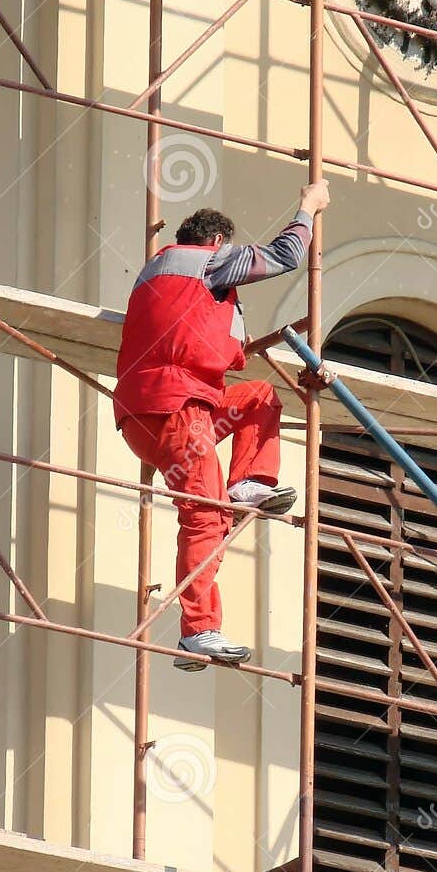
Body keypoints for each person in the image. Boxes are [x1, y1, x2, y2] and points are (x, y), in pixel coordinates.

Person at [115, 179, 331, 669]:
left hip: (157, 412)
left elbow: (192, 334)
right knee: (205, 517)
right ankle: (198, 632)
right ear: (216, 241)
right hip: (178, 412)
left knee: (259, 396)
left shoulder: (158, 273)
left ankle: (248, 482)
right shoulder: (206, 261)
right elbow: (284, 256)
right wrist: (308, 207)